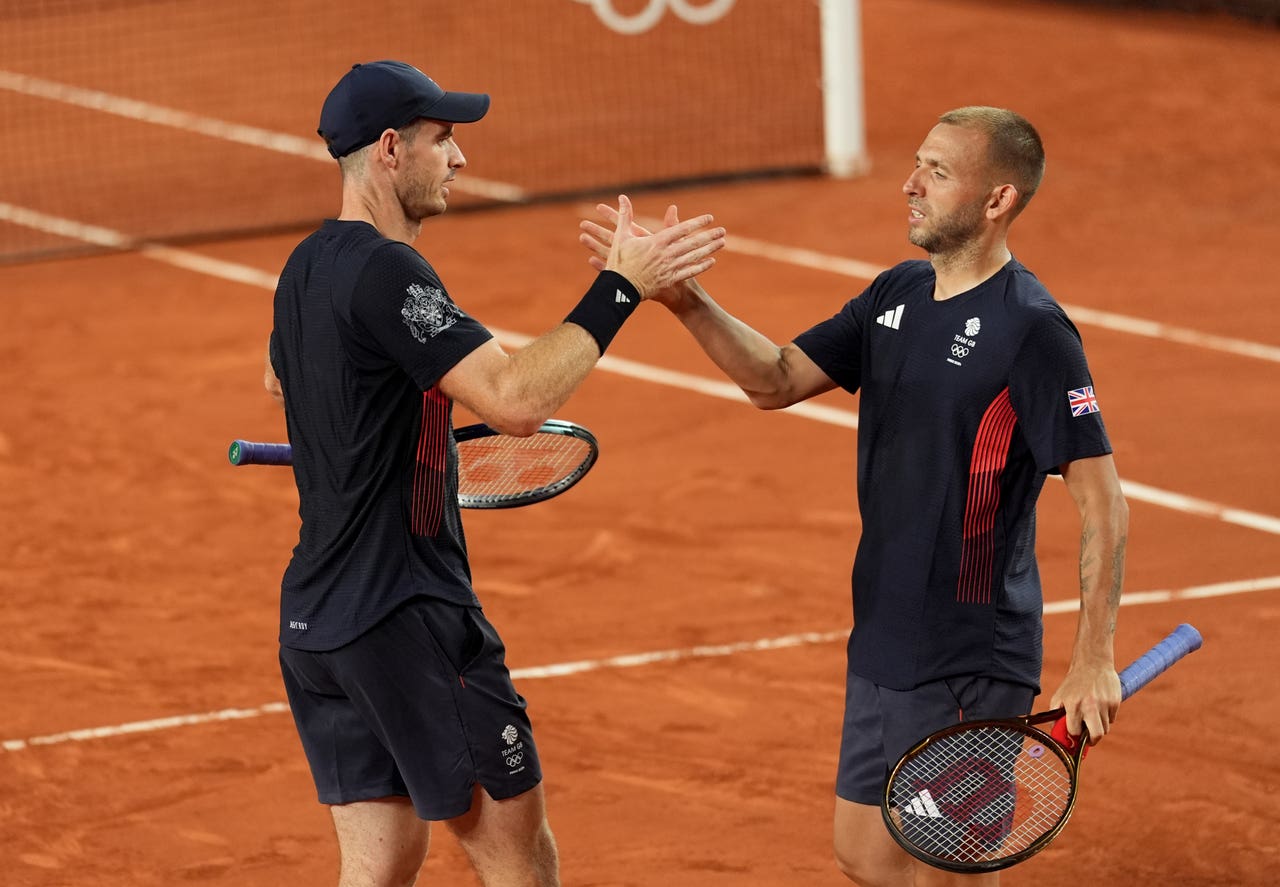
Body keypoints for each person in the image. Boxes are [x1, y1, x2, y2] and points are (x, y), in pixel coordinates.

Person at [580, 106, 1129, 886]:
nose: (910, 184)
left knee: (949, 867)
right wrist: (685, 299)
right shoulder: (896, 293)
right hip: (883, 631)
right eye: (917, 164)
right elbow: (775, 378)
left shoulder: (1032, 331)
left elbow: (1103, 501)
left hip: (968, 650)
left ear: (997, 199)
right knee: (865, 853)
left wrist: (1093, 658)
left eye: (937, 172)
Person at [262, 59, 724, 887]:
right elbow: (515, 399)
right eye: (443, 139)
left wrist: (359, 428)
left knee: (379, 863)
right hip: (406, 612)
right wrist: (622, 286)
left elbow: (279, 378)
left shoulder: (305, 265)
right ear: (391, 149)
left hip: (318, 623)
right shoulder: (387, 269)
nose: (460, 157)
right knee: (516, 856)